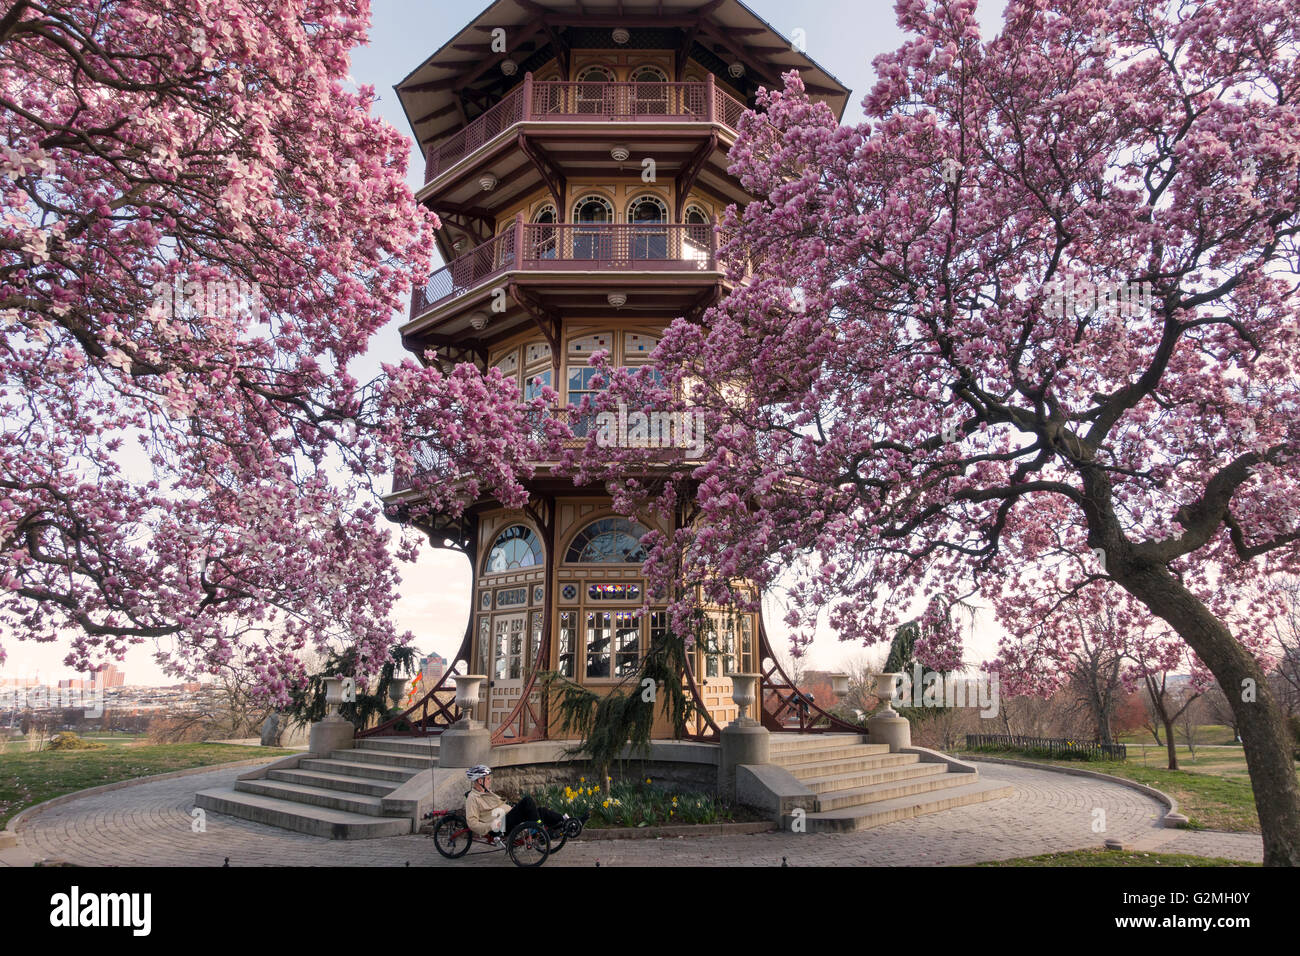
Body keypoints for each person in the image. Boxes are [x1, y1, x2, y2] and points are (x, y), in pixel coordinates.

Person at [462, 765, 569, 844]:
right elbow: (472, 823)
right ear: (480, 781)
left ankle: (564, 821)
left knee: (541, 811)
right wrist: (490, 825)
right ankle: (539, 829)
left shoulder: (486, 792)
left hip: (507, 818)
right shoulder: (473, 798)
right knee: (527, 801)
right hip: (499, 826)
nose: (490, 781)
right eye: (488, 779)